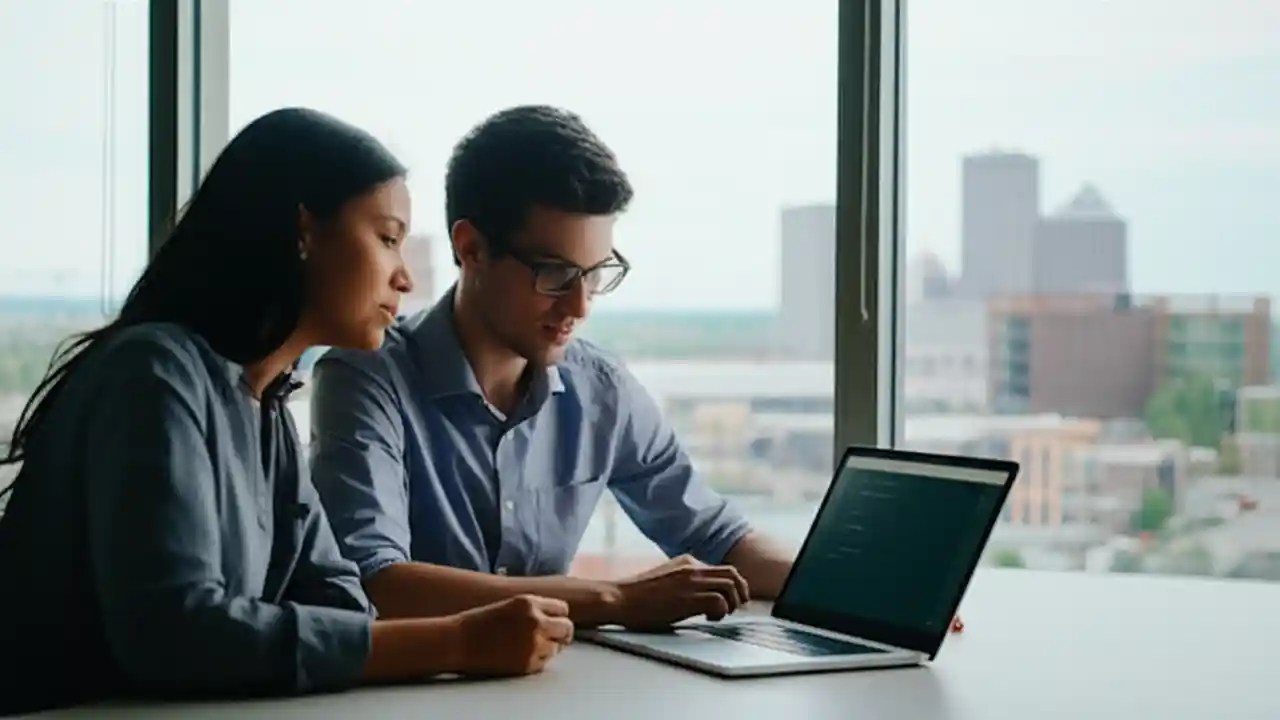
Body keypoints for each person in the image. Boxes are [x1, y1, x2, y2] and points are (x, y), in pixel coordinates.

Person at [0, 108, 572, 716]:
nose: (404, 278)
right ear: (304, 231)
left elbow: (340, 598)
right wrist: (455, 641)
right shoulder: (155, 374)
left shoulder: (263, 402)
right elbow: (172, 632)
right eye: (386, 237)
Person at [309, 105, 797, 630]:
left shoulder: (601, 389)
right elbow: (375, 580)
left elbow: (721, 539)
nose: (579, 307)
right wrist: (615, 599)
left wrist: (863, 593)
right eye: (555, 274)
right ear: (470, 248)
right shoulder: (366, 377)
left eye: (594, 275)